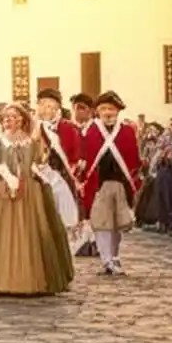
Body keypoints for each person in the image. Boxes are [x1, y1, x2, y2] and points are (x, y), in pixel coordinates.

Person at [0, 102, 73, 295]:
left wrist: (37, 172)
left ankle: (30, 278)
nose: (9, 121)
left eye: (14, 117)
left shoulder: (30, 140)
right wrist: (7, 176)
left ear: (22, 119)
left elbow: (36, 161)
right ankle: (2, 277)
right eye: (6, 118)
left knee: (32, 230)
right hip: (2, 187)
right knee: (3, 232)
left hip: (29, 190)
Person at [79, 91, 142, 276]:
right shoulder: (90, 131)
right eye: (104, 108)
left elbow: (133, 159)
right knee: (101, 223)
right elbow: (85, 157)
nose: (108, 112)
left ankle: (114, 256)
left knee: (118, 223)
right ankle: (106, 259)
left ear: (117, 111)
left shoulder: (126, 132)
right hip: (99, 184)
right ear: (97, 111)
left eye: (111, 109)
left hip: (121, 184)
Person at [36, 89, 83, 252]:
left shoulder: (68, 127)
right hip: (40, 176)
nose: (46, 109)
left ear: (58, 108)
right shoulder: (36, 128)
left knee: (65, 212)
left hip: (63, 175)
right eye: (43, 105)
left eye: (51, 106)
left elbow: (76, 154)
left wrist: (73, 171)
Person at [69, 93, 99, 257]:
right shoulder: (71, 129)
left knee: (92, 207)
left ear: (90, 111)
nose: (78, 112)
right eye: (75, 108)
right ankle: (81, 242)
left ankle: (95, 242)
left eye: (82, 108)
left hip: (93, 174)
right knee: (78, 208)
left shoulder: (97, 129)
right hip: (76, 174)